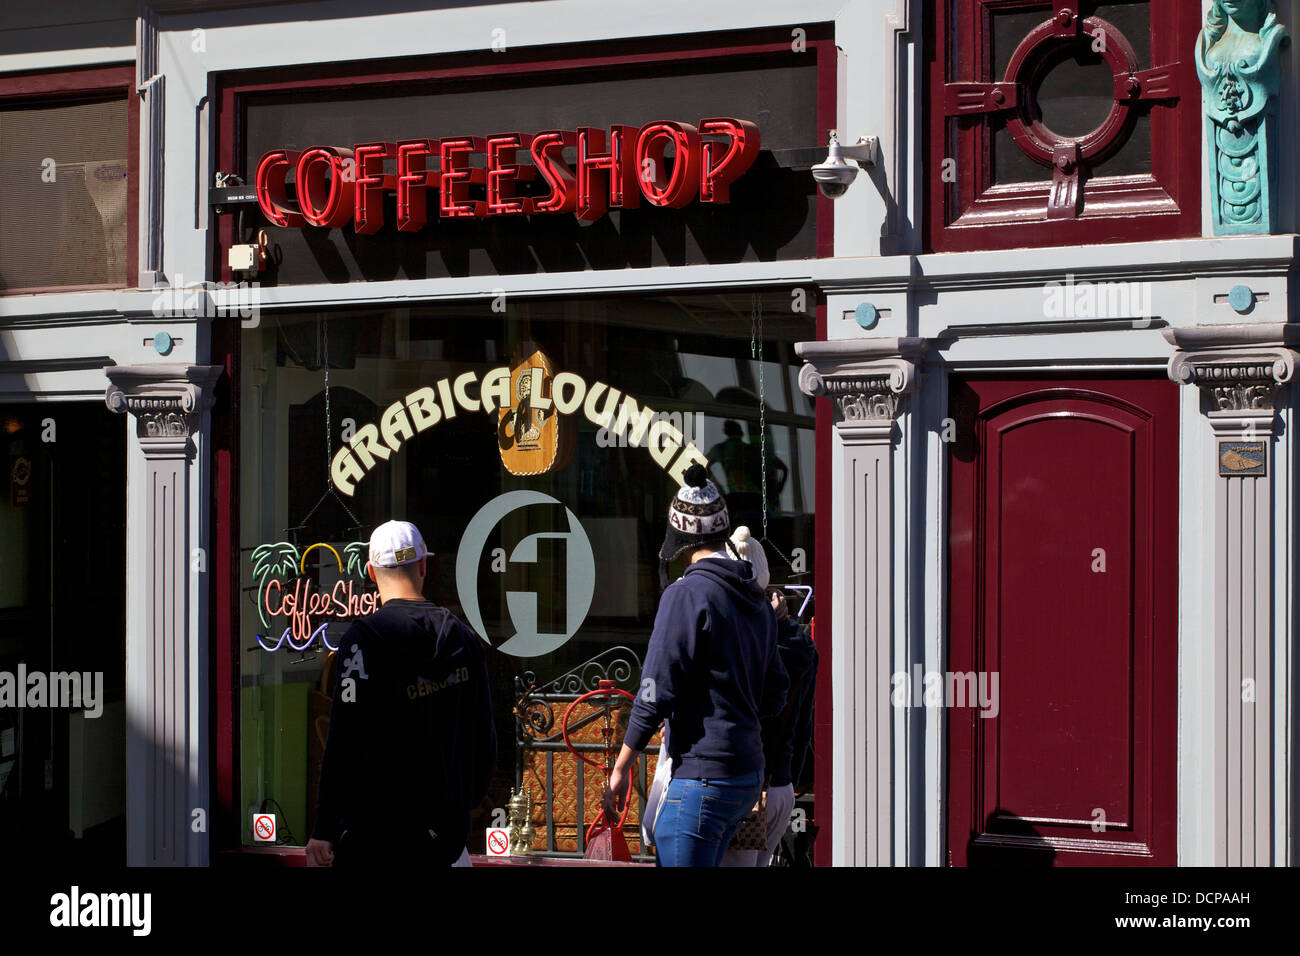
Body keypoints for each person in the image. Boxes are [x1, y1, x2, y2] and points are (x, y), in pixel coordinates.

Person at [605, 464, 788, 866]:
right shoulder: (756, 600)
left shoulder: (685, 595)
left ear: (682, 542)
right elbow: (776, 690)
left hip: (701, 779)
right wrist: (735, 717)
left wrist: (621, 767)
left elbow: (655, 690)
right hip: (745, 774)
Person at [305, 520, 496, 868]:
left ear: (371, 572)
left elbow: (343, 742)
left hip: (376, 838)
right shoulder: (463, 639)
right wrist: (461, 808)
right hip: (445, 842)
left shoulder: (363, 641)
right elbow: (483, 741)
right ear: (423, 565)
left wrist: (325, 826)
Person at [719, 527, 819, 866]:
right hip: (780, 784)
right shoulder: (799, 643)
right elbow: (804, 722)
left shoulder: (733, 633)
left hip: (743, 784)